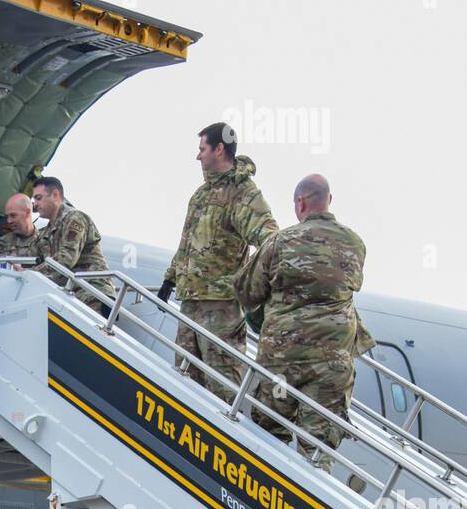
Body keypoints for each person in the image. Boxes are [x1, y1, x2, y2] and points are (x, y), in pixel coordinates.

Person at [235, 173, 375, 465]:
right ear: (329, 201)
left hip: (281, 362)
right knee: (317, 453)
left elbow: (248, 292)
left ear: (300, 203)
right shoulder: (355, 244)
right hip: (331, 367)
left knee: (268, 440)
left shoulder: (280, 242)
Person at [158, 122, 277, 401]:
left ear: (219, 149)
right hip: (191, 303)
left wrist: (255, 286)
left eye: (202, 149)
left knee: (220, 389)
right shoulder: (200, 196)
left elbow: (269, 239)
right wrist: (170, 278)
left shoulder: (243, 193)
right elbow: (187, 243)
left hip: (220, 309)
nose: (197, 156)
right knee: (184, 383)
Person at [30, 176, 115, 310]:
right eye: (34, 200)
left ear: (55, 195)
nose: (35, 204)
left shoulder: (75, 218)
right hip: (70, 296)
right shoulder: (45, 233)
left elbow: (67, 258)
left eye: (38, 198)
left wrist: (31, 274)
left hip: (91, 292)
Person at [0, 193, 39, 261]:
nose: (8, 221)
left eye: (13, 215)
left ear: (27, 213)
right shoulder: (1, 243)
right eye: (7, 216)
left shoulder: (45, 243)